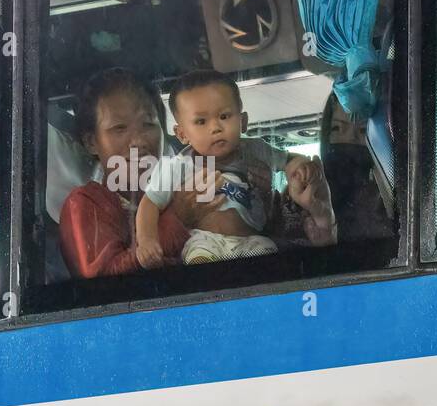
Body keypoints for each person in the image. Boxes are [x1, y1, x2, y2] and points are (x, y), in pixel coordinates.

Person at [136, 70, 334, 266]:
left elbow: (289, 159)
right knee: (199, 262)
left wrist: (301, 169)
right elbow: (149, 204)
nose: (215, 127)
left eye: (224, 116)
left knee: (269, 258)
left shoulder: (256, 150)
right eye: (201, 121)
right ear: (182, 134)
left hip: (250, 240)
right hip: (205, 240)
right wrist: (146, 241)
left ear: (243, 121)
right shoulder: (176, 166)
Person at [58, 68, 226, 278]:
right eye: (119, 128)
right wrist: (178, 218)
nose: (138, 141)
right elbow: (104, 285)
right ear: (91, 141)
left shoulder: (186, 184)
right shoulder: (84, 204)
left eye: (148, 124)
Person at [319, 92, 394, 241]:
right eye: (337, 128)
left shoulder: (393, 197)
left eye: (362, 130)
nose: (349, 139)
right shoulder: (309, 193)